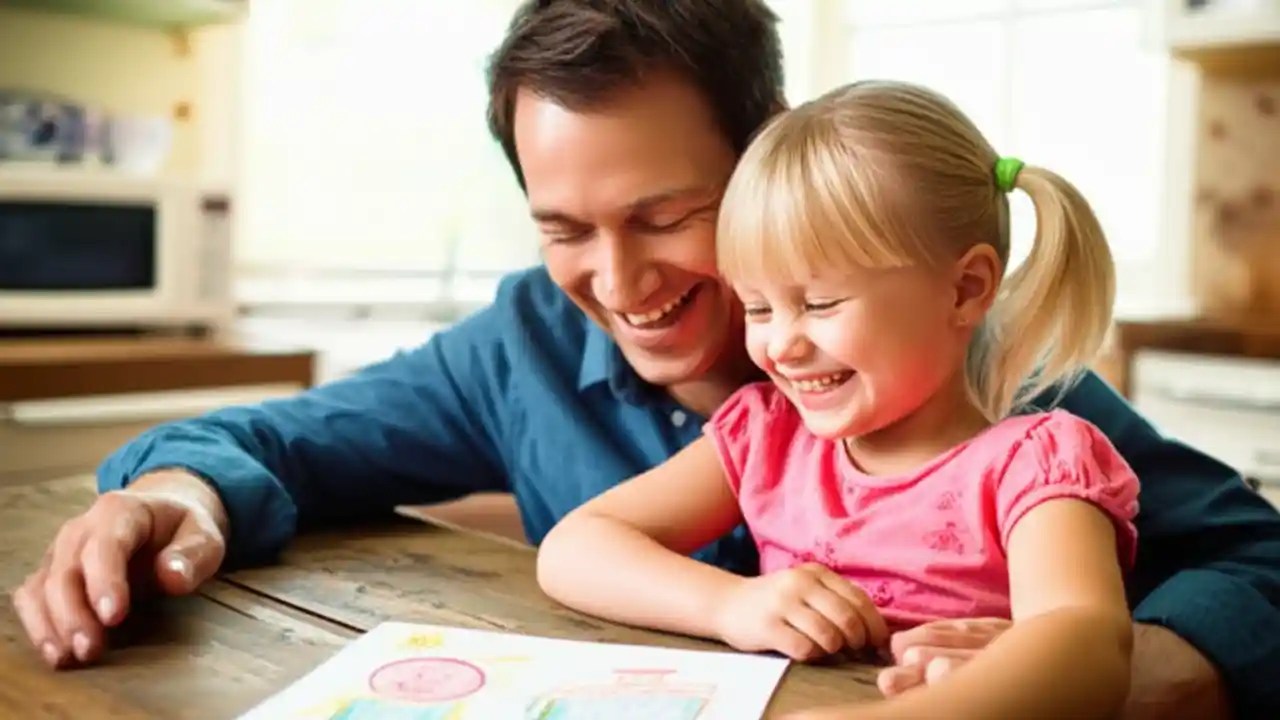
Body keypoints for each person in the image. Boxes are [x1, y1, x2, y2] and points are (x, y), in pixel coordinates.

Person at [9, 2, 1278, 717]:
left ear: (773, 167)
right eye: (565, 228)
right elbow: (270, 441)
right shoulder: (520, 343)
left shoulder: (997, 373)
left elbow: (1254, 557)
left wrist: (1150, 667)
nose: (617, 286)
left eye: (668, 217)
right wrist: (166, 494)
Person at [537, 78, 1140, 718]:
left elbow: (1090, 646)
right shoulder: (767, 438)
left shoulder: (1034, 466)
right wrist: (731, 605)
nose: (782, 345)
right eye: (759, 307)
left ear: (964, 289)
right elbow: (575, 549)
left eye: (820, 304)